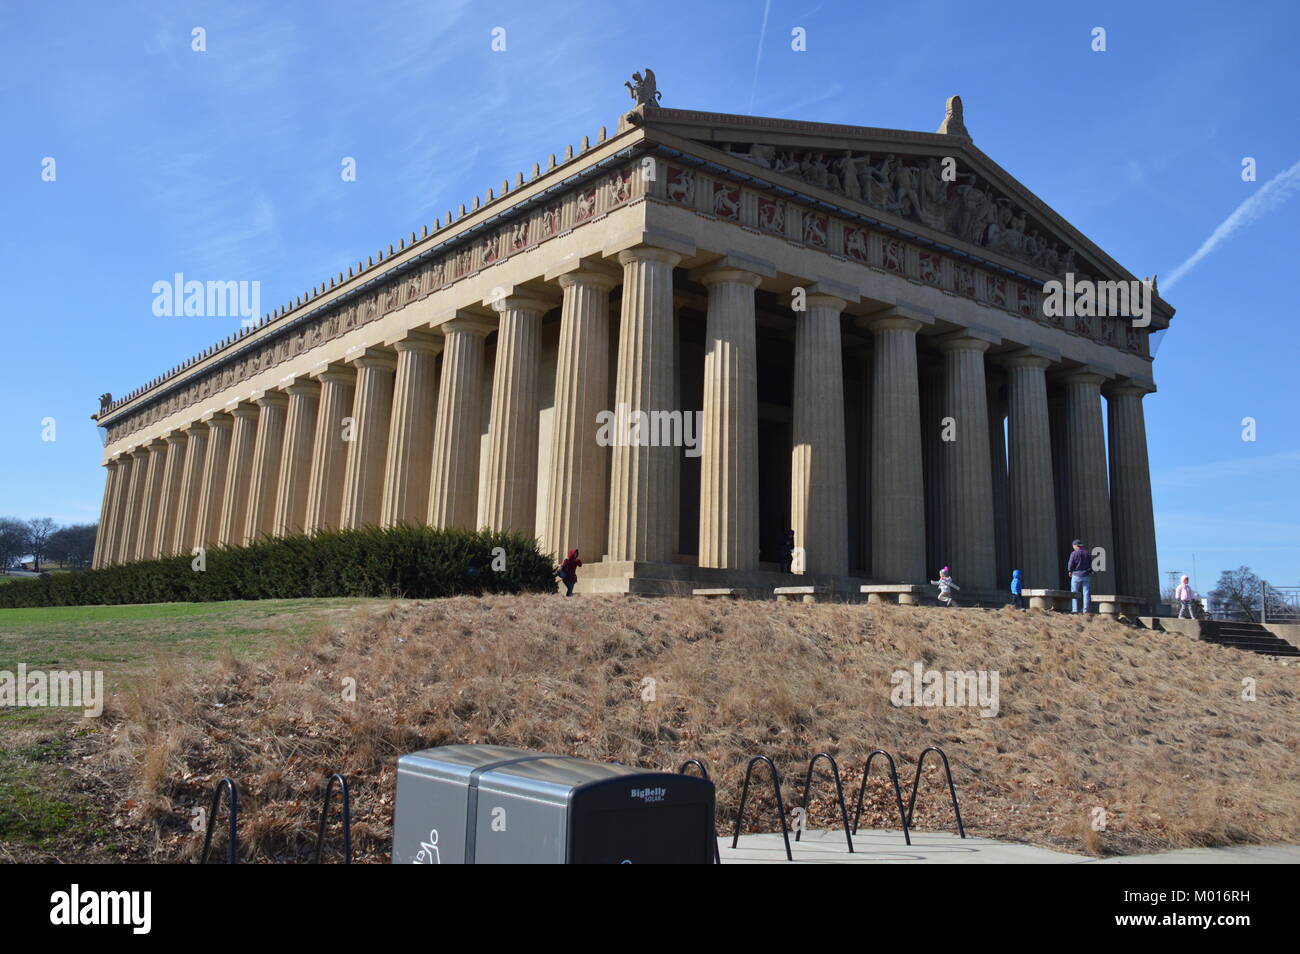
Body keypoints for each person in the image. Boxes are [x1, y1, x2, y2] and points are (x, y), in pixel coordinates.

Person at [1067, 539, 1091, 613]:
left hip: (1076, 575)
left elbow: (1070, 563)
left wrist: (1070, 571)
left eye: (1073, 546)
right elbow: (1090, 563)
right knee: (1086, 592)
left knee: (1074, 592)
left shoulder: (1073, 554)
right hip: (1086, 574)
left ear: (1075, 546)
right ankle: (1085, 609)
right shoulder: (1087, 553)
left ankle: (1075, 609)